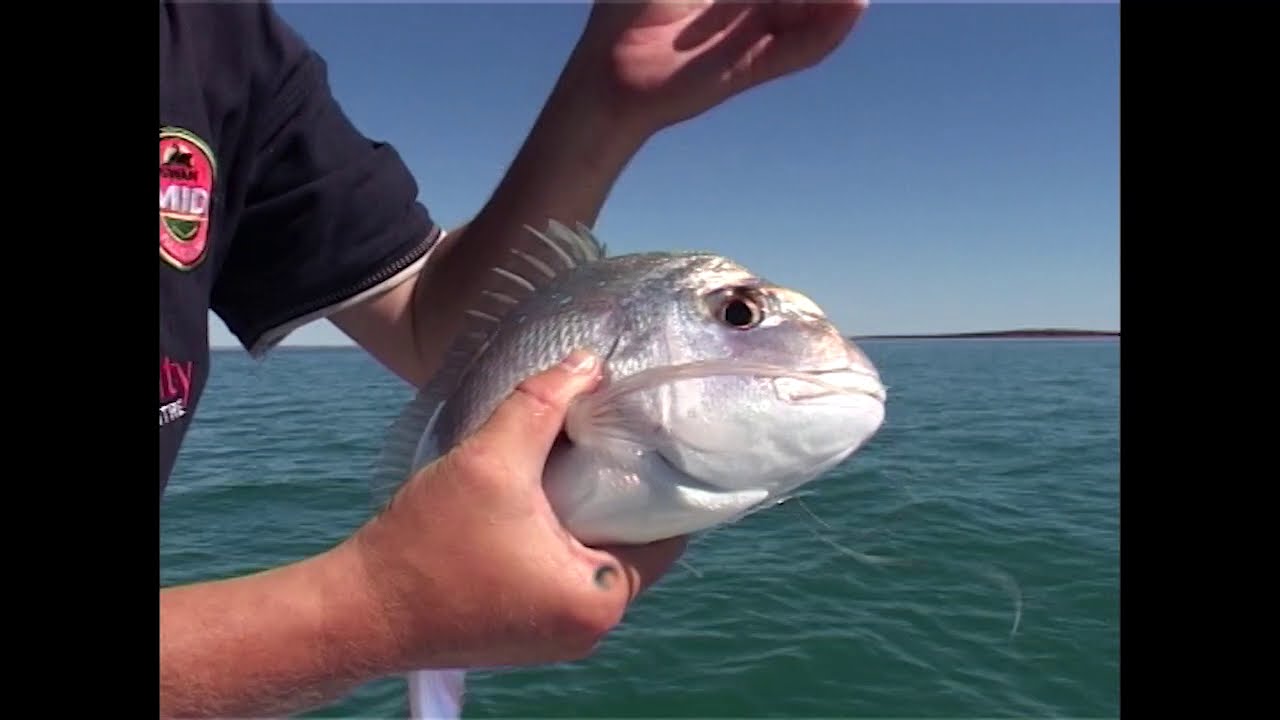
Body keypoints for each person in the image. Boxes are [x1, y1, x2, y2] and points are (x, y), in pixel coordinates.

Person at [158, 0, 868, 716]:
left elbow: (433, 329)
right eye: (737, 314)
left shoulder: (224, 38)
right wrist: (379, 612)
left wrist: (607, 100)